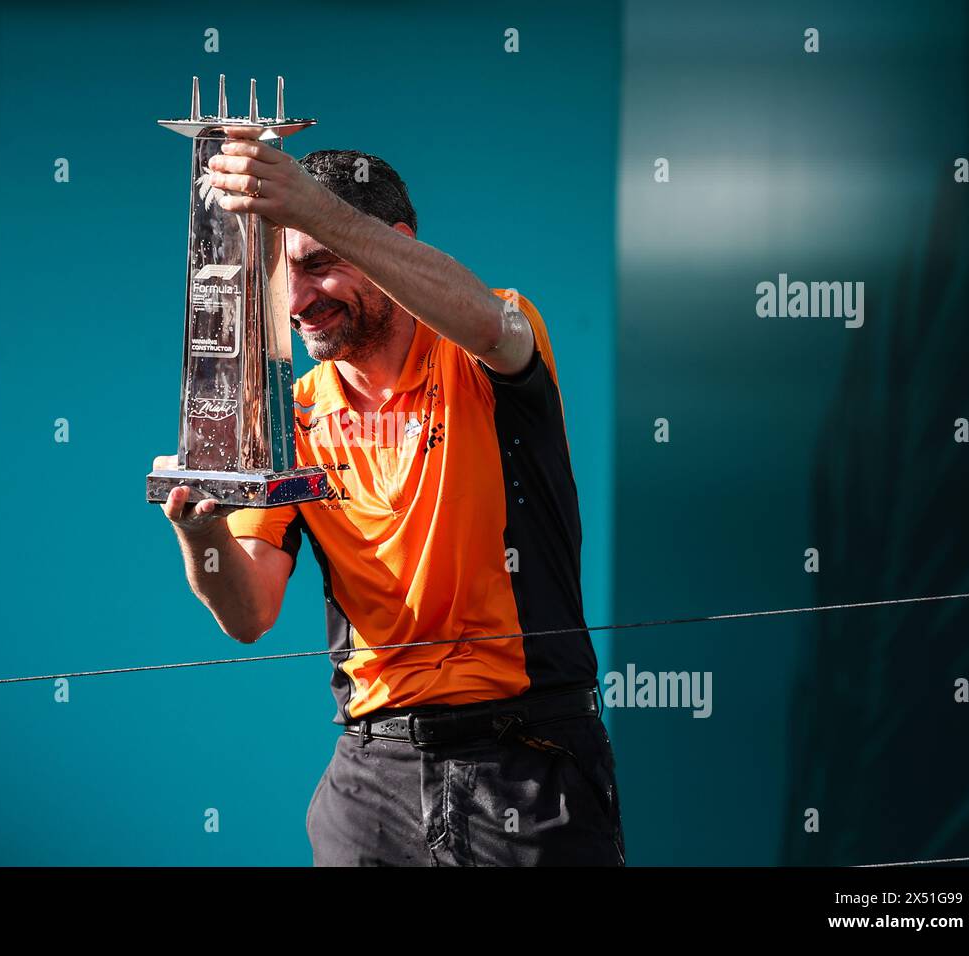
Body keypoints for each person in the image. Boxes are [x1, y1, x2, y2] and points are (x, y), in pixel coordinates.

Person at [153, 126, 625, 866]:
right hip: (373, 773)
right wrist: (198, 532)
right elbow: (247, 614)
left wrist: (317, 209)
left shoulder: (488, 333)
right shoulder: (291, 411)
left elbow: (486, 323)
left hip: (527, 760)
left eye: (320, 264)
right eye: (283, 274)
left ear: (389, 242)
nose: (299, 299)